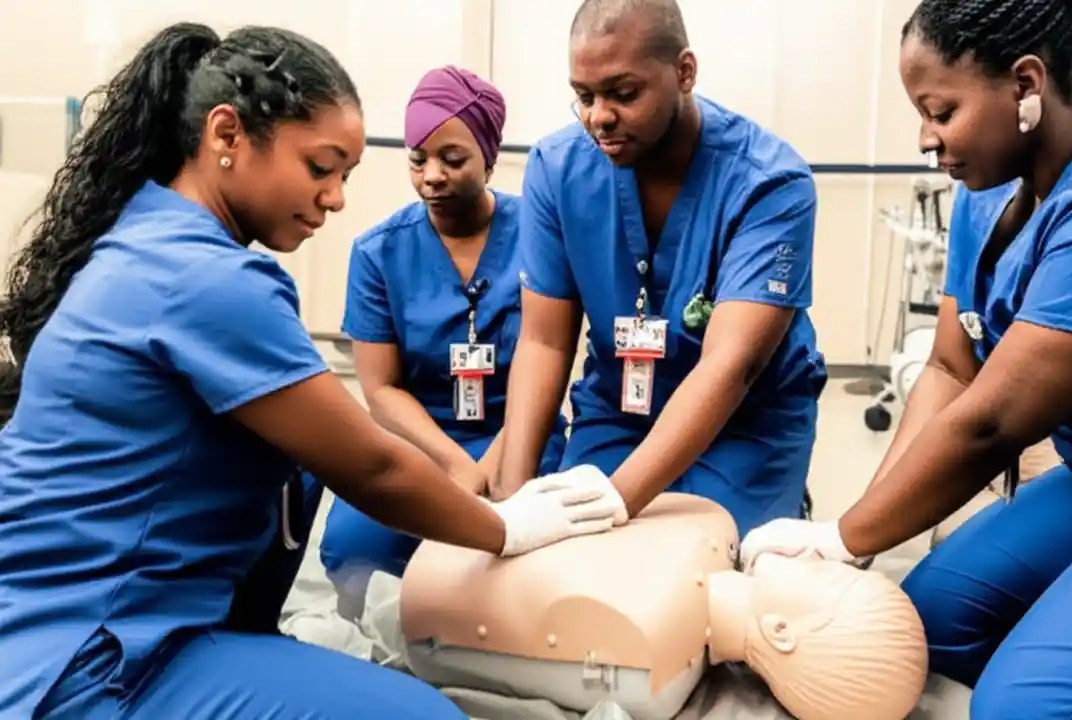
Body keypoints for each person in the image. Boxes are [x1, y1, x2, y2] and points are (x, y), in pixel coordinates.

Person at [0, 23, 621, 719]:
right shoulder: (211, 279)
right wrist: (507, 527)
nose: (336, 197)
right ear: (226, 134)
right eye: (320, 168)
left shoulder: (148, 237)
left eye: (346, 175)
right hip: (94, 654)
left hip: (67, 615)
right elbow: (372, 464)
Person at [739, 0, 1072, 717]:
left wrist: (842, 535)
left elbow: (992, 425)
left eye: (941, 112)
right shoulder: (990, 190)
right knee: (922, 631)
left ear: (1025, 84)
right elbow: (950, 368)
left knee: (1021, 707)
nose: (926, 138)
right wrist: (863, 534)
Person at [494, 0, 828, 539]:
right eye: (584, 96)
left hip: (746, 421)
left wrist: (615, 501)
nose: (599, 117)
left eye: (624, 93)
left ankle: (783, 501)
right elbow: (544, 342)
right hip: (620, 408)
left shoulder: (770, 182)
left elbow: (732, 364)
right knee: (570, 560)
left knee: (706, 563)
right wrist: (510, 504)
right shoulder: (557, 169)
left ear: (684, 72)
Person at [316, 65, 570, 619]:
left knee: (524, 554)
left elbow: (549, 356)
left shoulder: (540, 236)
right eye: (418, 159)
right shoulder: (378, 253)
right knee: (353, 550)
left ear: (489, 156)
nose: (432, 175)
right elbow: (381, 390)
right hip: (420, 444)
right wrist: (456, 467)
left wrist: (493, 466)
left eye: (452, 159)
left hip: (520, 431)